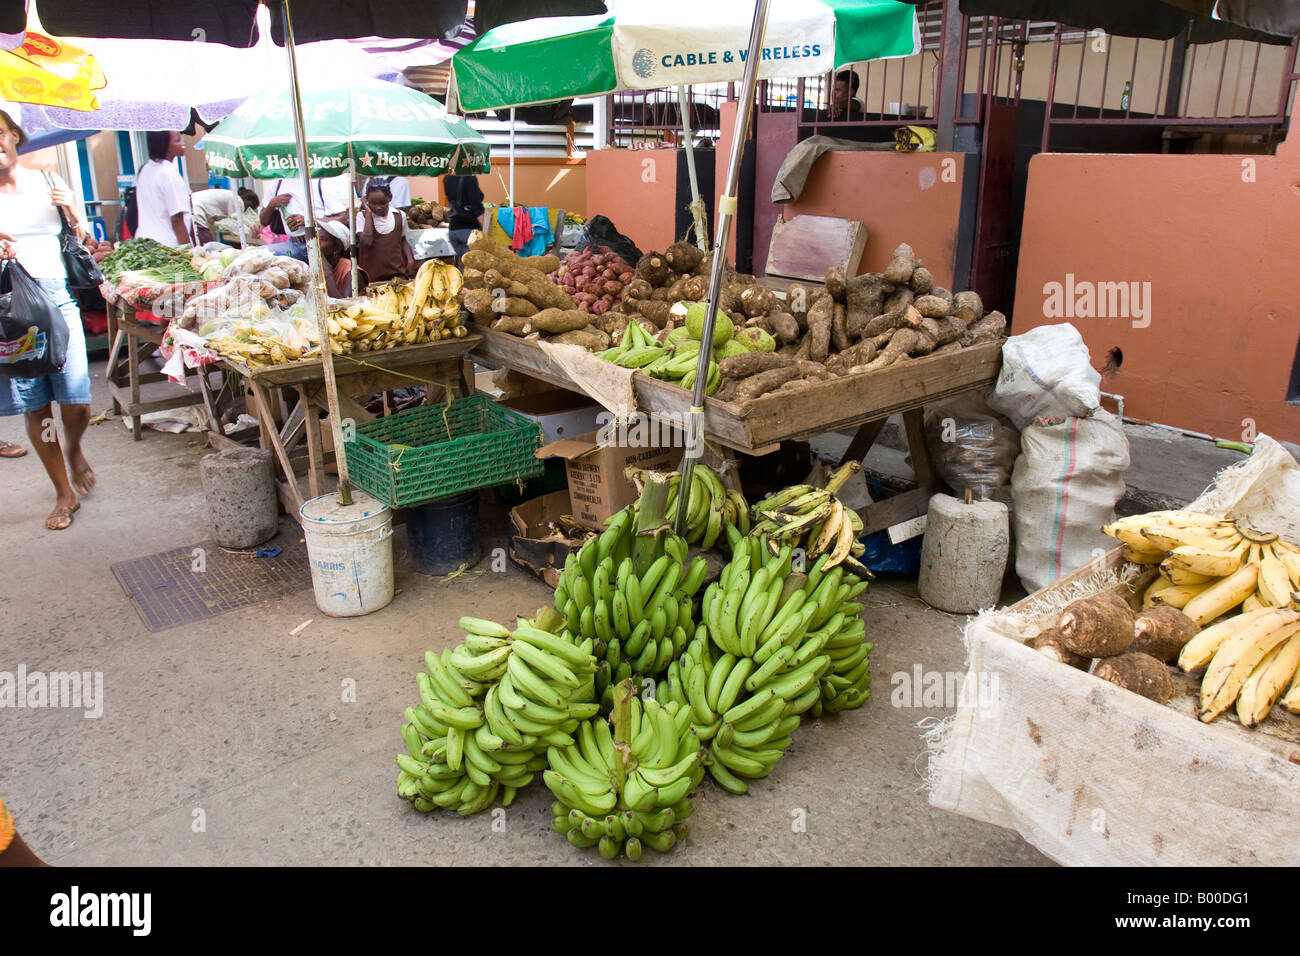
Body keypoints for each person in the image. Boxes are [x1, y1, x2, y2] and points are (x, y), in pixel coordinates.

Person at [0, 106, 97, 529]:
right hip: (12, 311)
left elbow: (89, 241)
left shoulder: (49, 181)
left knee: (77, 399)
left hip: (58, 300)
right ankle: (64, 491)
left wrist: (74, 212)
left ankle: (74, 447)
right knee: (37, 407)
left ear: (14, 136)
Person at [134, 130, 193, 246]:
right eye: (177, 141)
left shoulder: (145, 169)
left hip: (144, 243)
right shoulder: (169, 174)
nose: (182, 144)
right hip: (167, 246)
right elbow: (177, 220)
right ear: (166, 146)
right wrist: (188, 252)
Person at [356, 181, 414, 283]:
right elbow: (366, 242)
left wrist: (410, 260)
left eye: (383, 203)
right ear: (366, 200)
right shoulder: (362, 217)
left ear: (390, 198)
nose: (378, 207)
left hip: (397, 275)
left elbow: (403, 240)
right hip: (372, 279)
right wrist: (369, 213)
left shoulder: (400, 215)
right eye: (373, 203)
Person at [259, 177, 310, 262]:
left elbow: (339, 218)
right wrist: (272, 204)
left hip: (319, 243)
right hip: (294, 244)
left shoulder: (318, 181)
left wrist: (308, 221)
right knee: (258, 254)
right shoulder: (278, 183)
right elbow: (263, 221)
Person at [190, 186, 258, 245]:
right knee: (207, 247)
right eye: (251, 207)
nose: (248, 210)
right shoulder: (238, 202)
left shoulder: (231, 195)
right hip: (197, 212)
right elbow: (236, 227)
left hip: (192, 208)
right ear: (246, 200)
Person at [317, 219, 368, 298]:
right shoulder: (318, 266)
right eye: (317, 237)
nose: (316, 243)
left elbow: (343, 304)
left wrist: (327, 273)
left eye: (323, 240)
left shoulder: (351, 272)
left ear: (336, 248)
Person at [443, 174, 484, 261]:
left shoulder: (447, 179)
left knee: (465, 265)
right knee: (474, 268)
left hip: (453, 230)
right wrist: (485, 231)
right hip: (469, 232)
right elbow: (477, 207)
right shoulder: (470, 178)